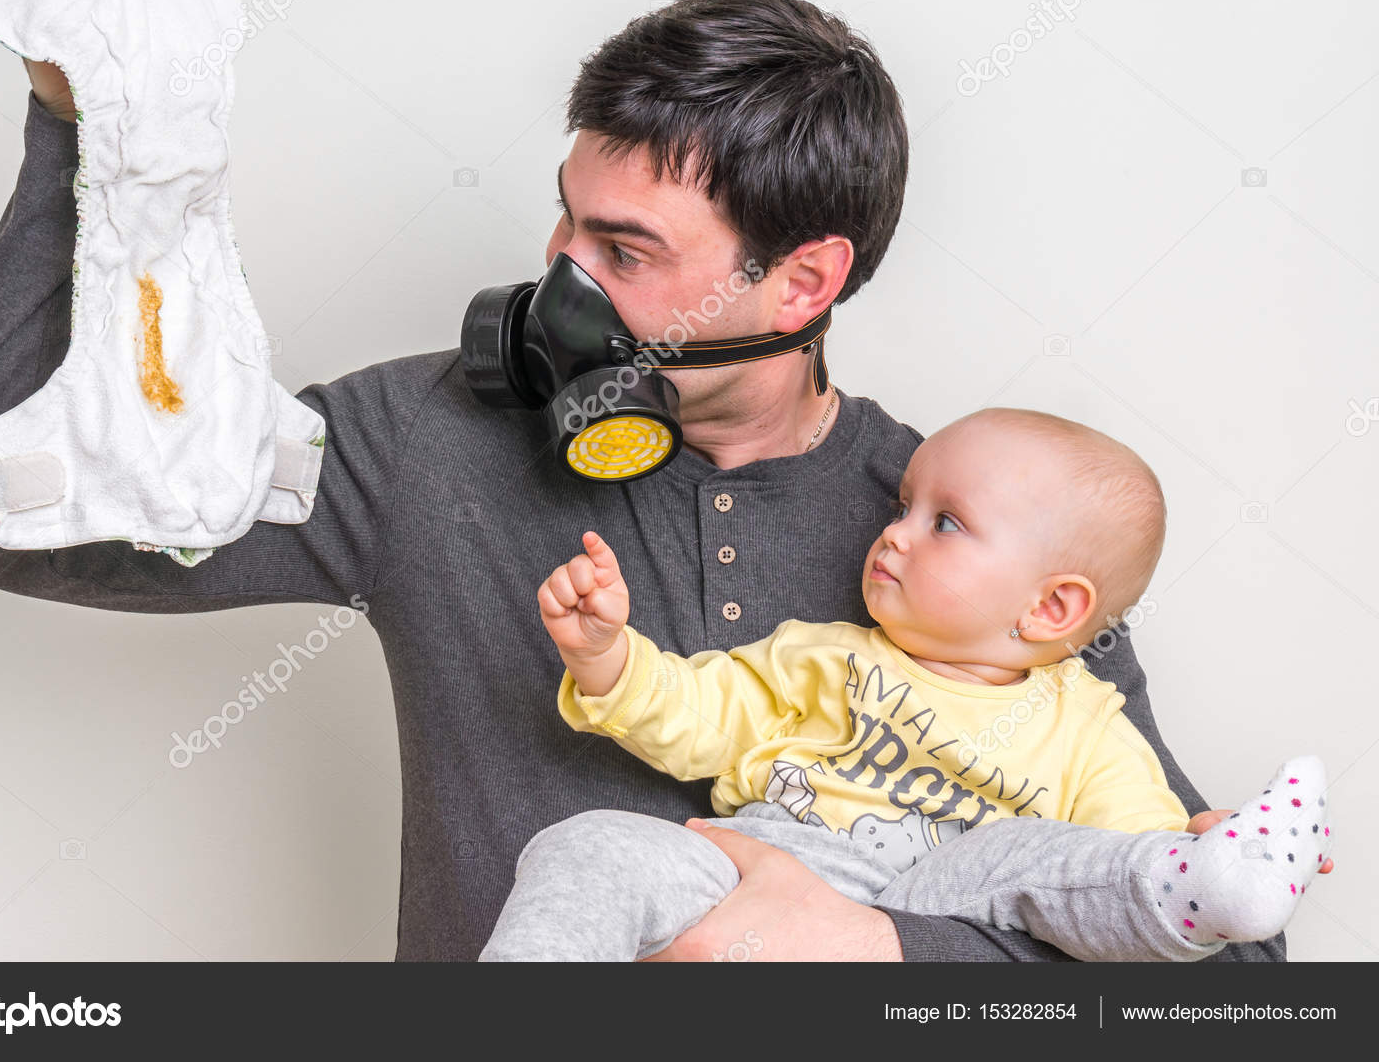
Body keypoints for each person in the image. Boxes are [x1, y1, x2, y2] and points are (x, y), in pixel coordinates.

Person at [0, 0, 1288, 961]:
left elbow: (1233, 957)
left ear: (802, 282)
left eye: (625, 248)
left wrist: (888, 942)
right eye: (568, 217)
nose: (560, 272)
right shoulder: (427, 438)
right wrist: (82, 128)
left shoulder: (980, 538)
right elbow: (9, 521)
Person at [479, 409, 1333, 960]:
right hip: (763, 870)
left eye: (945, 522)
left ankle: (1219, 882)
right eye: (902, 506)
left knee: (1033, 858)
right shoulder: (825, 656)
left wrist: (1193, 842)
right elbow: (699, 713)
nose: (895, 535)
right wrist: (606, 656)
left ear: (1050, 607)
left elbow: (1110, 861)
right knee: (586, 841)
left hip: (947, 907)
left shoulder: (1087, 723)